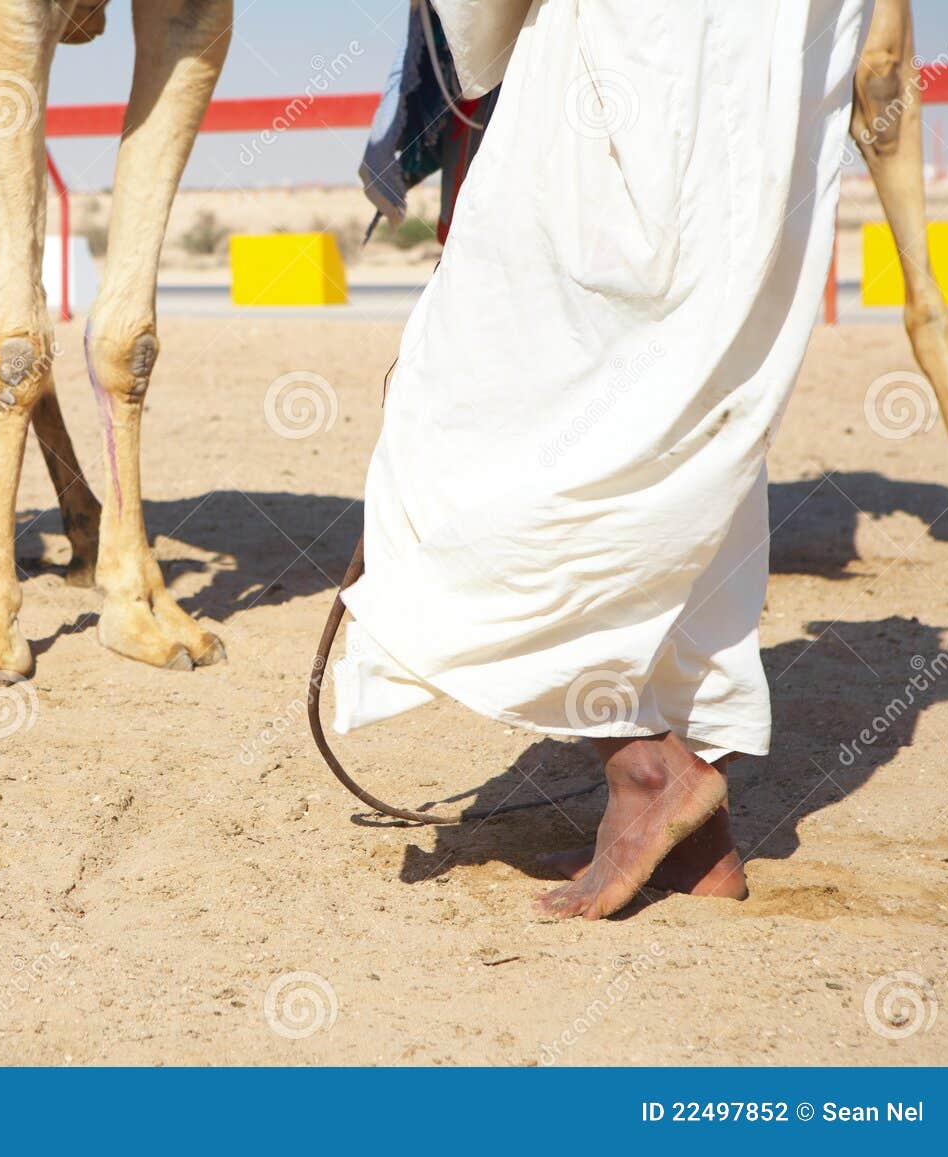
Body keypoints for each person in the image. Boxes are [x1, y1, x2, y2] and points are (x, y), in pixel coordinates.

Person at [332, 0, 872, 919]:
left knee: (475, 403)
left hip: (637, 46)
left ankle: (645, 770)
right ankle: (694, 841)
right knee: (679, 410)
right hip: (774, 52)